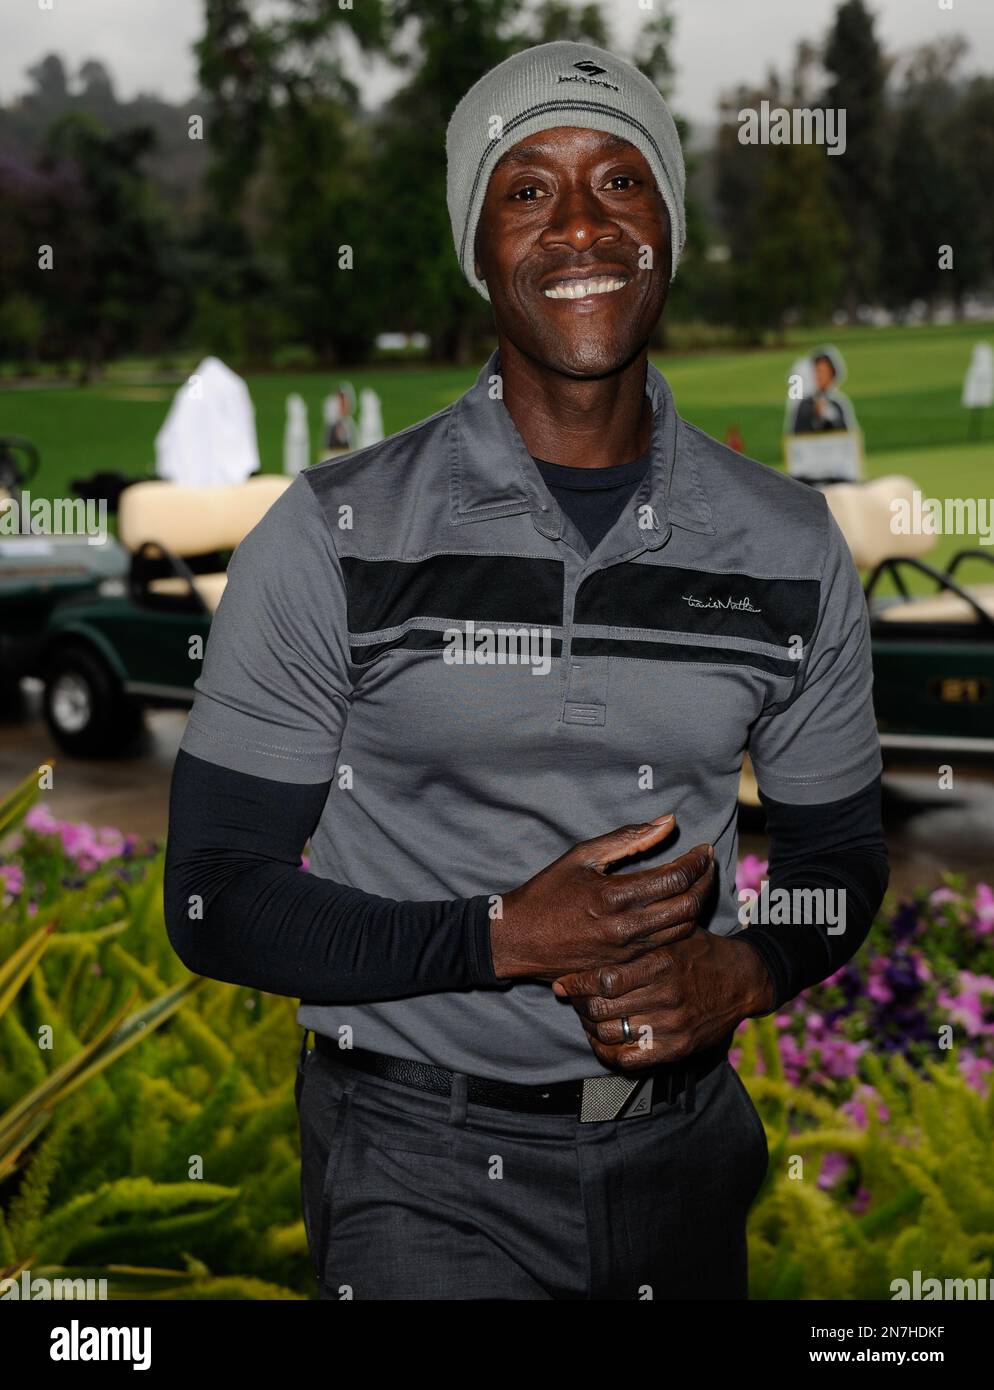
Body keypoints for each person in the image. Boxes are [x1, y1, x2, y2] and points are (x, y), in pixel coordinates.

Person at [164, 41, 889, 1301]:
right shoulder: (332, 534)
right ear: (478, 245)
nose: (578, 226)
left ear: (665, 227)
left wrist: (747, 969)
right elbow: (213, 898)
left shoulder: (785, 543)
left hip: (686, 1155)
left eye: (620, 182)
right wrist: (501, 937)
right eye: (525, 190)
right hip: (417, 1170)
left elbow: (840, 861)